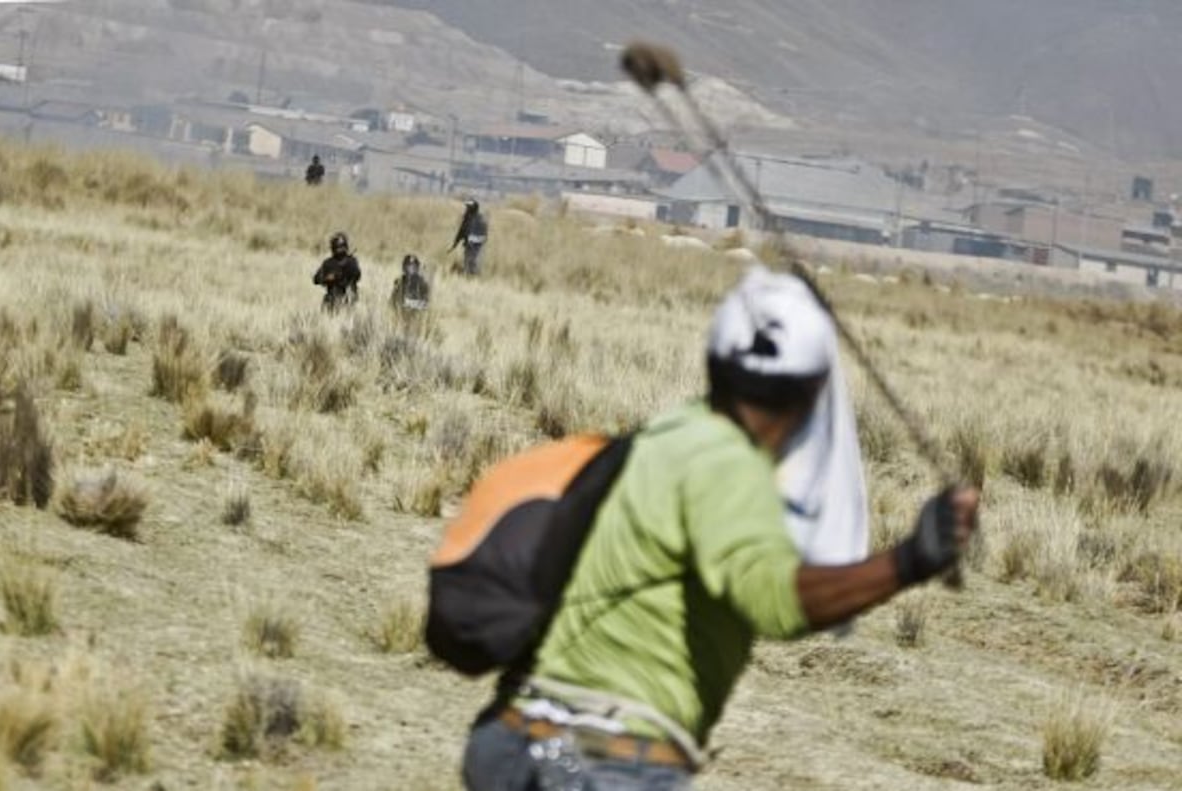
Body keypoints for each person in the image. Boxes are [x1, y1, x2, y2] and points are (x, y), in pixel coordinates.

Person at [461, 265, 980, 790]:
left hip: (513, 741)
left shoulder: (672, 433)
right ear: (814, 389)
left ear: (715, 363)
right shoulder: (732, 470)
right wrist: (910, 559)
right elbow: (775, 602)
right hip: (606, 761)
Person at [312, 231, 360, 313]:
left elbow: (357, 275)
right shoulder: (328, 263)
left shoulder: (351, 261)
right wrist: (326, 279)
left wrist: (341, 276)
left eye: (341, 247)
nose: (339, 250)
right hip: (332, 298)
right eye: (337, 247)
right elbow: (316, 279)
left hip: (348, 298)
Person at [449, 198, 488, 275]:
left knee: (472, 262)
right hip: (468, 245)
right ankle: (468, 275)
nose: (467, 208)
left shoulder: (479, 219)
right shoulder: (467, 218)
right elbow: (461, 231)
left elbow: (482, 235)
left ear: (473, 208)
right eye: (467, 207)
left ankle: (473, 276)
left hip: (475, 245)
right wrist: (455, 244)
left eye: (469, 207)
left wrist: (473, 241)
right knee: (467, 261)